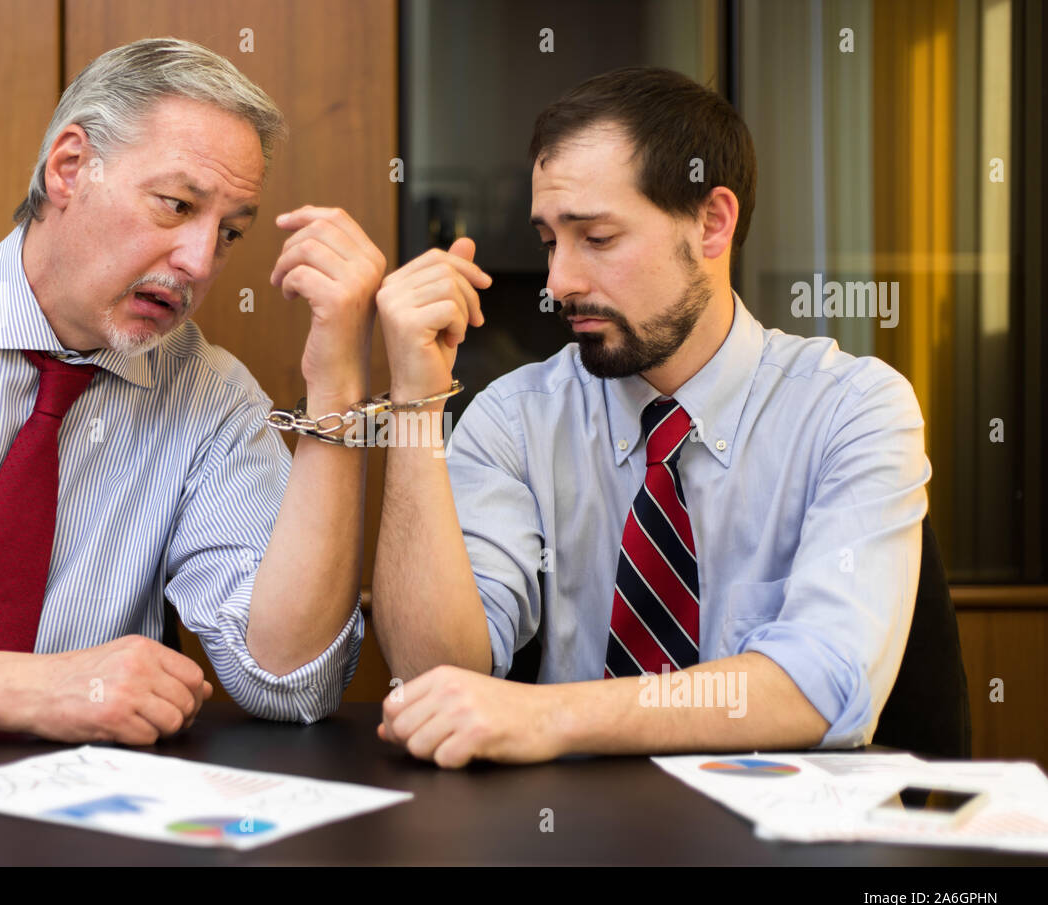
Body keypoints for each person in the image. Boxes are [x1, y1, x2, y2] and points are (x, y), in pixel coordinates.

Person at [0, 38, 385, 743]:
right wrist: (35, 689)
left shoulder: (212, 398)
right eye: (176, 206)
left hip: (71, 819)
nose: (200, 262)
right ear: (70, 167)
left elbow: (291, 683)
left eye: (230, 233)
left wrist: (336, 388)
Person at [371, 67, 931, 768]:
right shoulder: (514, 422)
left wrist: (550, 715)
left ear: (712, 224)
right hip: (565, 833)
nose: (558, 283)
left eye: (597, 238)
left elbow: (823, 685)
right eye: (549, 241)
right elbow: (432, 679)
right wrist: (415, 402)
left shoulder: (851, 409)